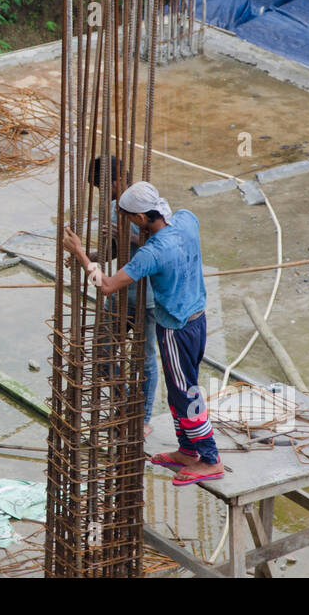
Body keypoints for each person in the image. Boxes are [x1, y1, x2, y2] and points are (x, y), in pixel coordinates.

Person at [62, 180, 221, 485]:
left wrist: (80, 253)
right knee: (178, 392)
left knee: (186, 393)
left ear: (139, 218)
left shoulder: (153, 252)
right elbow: (172, 223)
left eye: (129, 219)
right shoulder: (187, 220)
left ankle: (210, 458)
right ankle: (187, 450)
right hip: (198, 320)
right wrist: (139, 235)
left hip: (176, 328)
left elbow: (106, 285)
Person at [85, 155, 159, 435]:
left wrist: (127, 236)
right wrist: (91, 256)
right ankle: (128, 405)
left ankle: (143, 418)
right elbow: (117, 251)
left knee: (145, 358)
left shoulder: (144, 204)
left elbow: (161, 244)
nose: (101, 194)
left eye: (102, 188)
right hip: (121, 291)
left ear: (116, 181)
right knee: (102, 354)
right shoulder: (115, 209)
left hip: (147, 298)